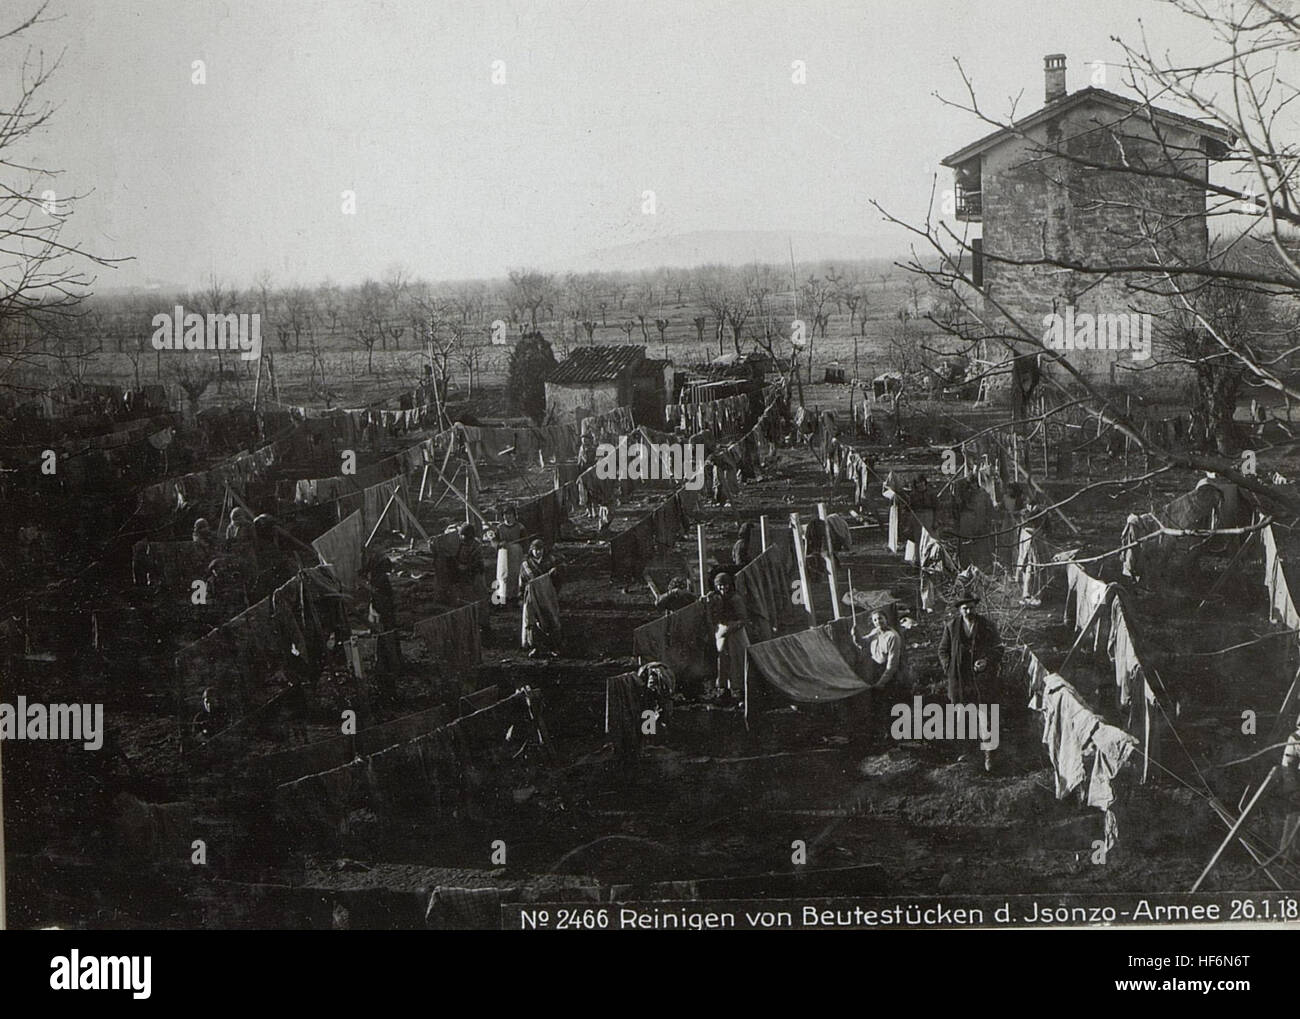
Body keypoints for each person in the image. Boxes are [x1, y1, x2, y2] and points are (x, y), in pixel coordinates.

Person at [938, 594, 1002, 772]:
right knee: (961, 715)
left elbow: (998, 648)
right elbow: (943, 650)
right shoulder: (951, 626)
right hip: (959, 679)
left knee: (985, 716)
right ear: (959, 610)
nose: (968, 611)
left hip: (981, 680)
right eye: (965, 608)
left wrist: (987, 661)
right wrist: (949, 668)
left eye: (971, 607)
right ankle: (966, 752)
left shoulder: (987, 625)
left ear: (976, 607)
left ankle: (989, 755)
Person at [854, 604, 907, 745]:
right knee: (876, 705)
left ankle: (894, 737)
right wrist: (855, 635)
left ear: (886, 619)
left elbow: (892, 664)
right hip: (875, 669)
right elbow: (862, 643)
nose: (879, 622)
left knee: (889, 704)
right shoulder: (875, 632)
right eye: (876, 620)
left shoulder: (893, 637)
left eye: (881, 619)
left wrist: (882, 682)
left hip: (889, 673)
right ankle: (880, 735)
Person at [705, 570, 749, 706]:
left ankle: (739, 690)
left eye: (725, 585)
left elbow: (743, 619)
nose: (723, 588)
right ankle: (723, 690)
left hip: (736, 634)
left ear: (730, 585)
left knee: (737, 662)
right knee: (722, 661)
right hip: (722, 633)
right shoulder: (716, 598)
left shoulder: (736, 599)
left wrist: (729, 629)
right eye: (720, 586)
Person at [366, 558, 401, 702]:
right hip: (384, 617)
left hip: (384, 618)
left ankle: (387, 678)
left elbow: (381, 600)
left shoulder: (380, 580)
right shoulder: (379, 579)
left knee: (385, 647)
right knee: (385, 647)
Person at [519, 539, 561, 657]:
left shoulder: (550, 562)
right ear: (531, 550)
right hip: (532, 596)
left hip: (547, 595)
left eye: (540, 549)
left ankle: (553, 647)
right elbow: (523, 581)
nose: (537, 552)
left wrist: (554, 573)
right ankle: (535, 647)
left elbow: (558, 579)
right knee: (532, 620)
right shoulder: (526, 564)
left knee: (550, 618)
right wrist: (521, 595)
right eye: (535, 550)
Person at [493, 505, 526, 604]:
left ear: (514, 515)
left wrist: (525, 554)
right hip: (503, 553)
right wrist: (499, 544)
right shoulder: (499, 528)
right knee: (503, 576)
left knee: (515, 575)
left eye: (510, 515)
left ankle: (515, 598)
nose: (508, 517)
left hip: (516, 554)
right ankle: (502, 599)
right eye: (505, 515)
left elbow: (525, 542)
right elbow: (493, 541)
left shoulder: (520, 527)